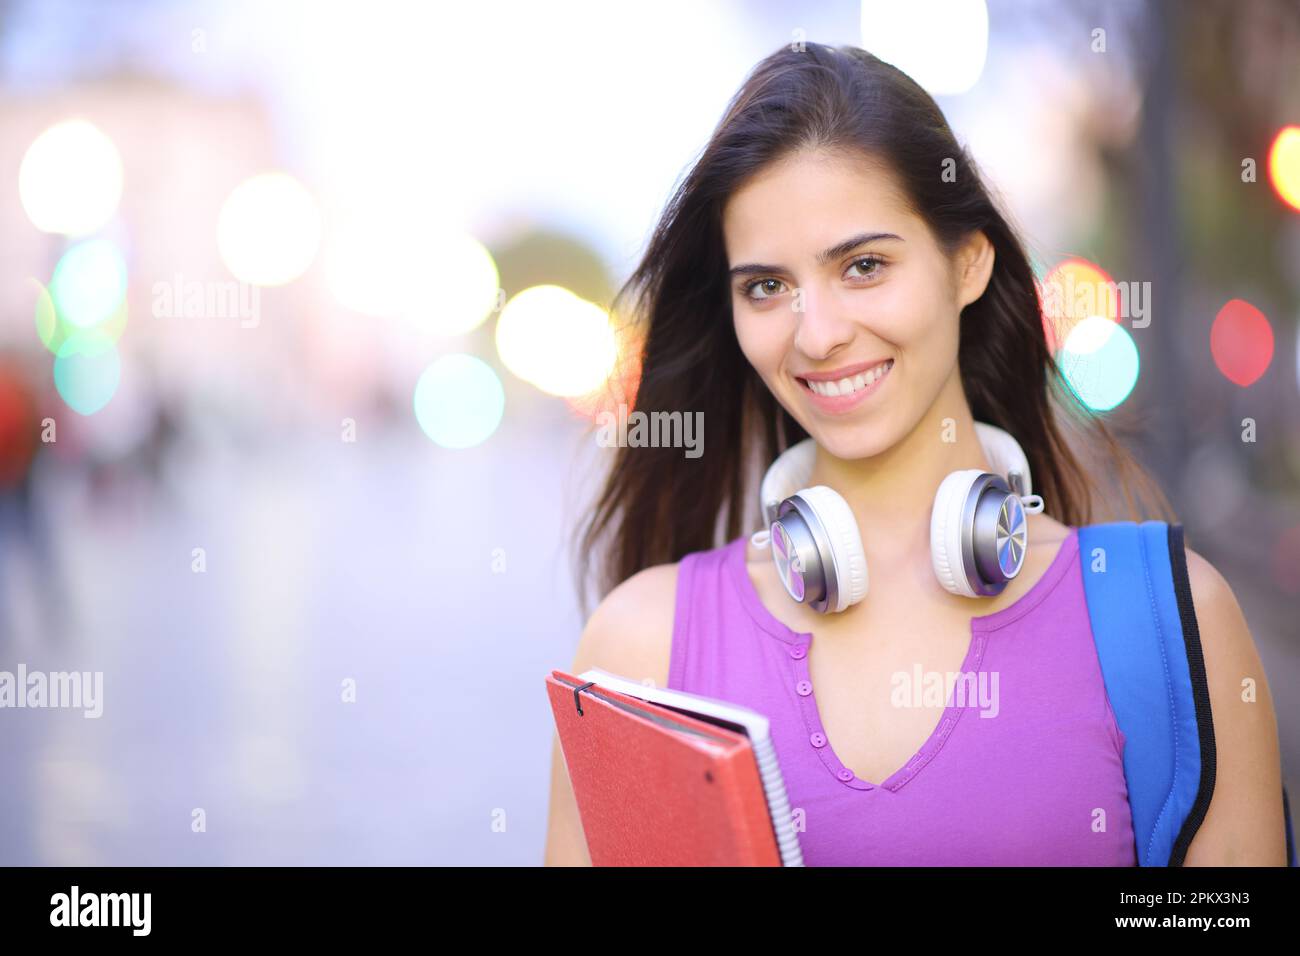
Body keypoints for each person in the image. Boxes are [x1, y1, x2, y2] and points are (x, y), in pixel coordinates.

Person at [545, 42, 1286, 865]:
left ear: (967, 262)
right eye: (766, 287)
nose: (817, 334)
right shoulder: (642, 648)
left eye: (864, 266)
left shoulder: (1167, 620)